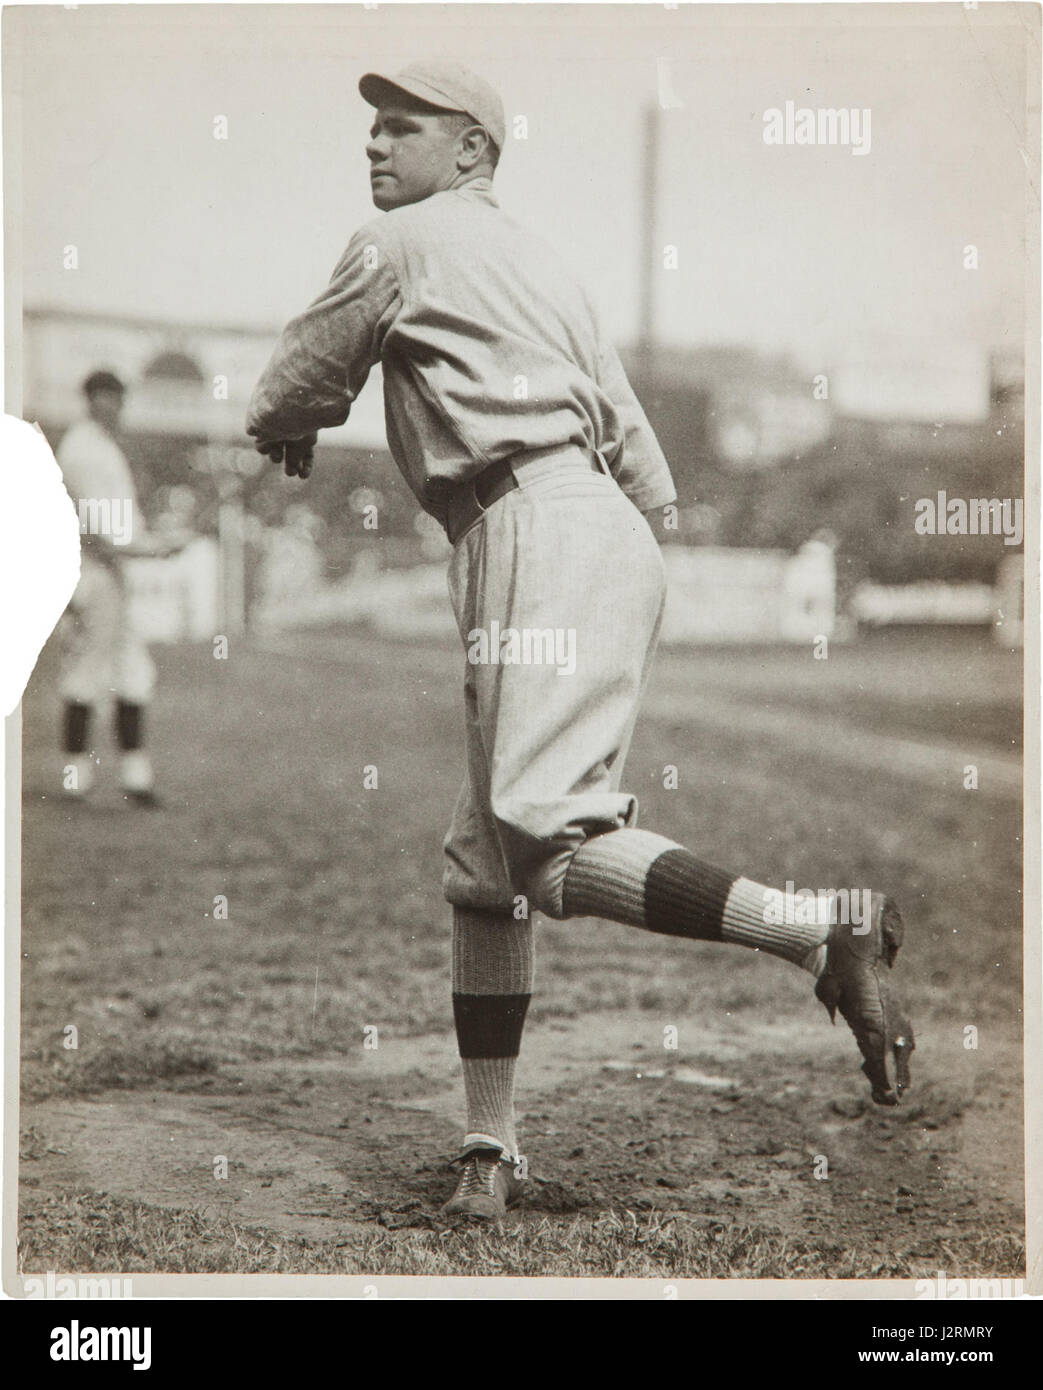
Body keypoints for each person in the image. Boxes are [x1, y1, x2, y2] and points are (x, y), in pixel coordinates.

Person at [247, 60, 914, 1222]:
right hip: (584, 525)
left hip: (530, 529)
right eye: (370, 129)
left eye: (401, 128)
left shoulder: (395, 242)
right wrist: (607, 561)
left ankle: (816, 927)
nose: (374, 147)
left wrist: (282, 421)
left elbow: (301, 370)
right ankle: (488, 1149)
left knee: (545, 841)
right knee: (487, 868)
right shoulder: (546, 266)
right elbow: (637, 450)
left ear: (470, 152)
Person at [56, 370, 185, 807]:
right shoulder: (83, 449)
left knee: (132, 671)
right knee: (87, 671)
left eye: (118, 397)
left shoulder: (104, 447)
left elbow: (120, 528)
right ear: (90, 399)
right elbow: (99, 536)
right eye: (104, 396)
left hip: (113, 574)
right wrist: (153, 550)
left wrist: (154, 543)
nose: (113, 405)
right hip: (92, 574)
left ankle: (135, 777)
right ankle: (75, 777)